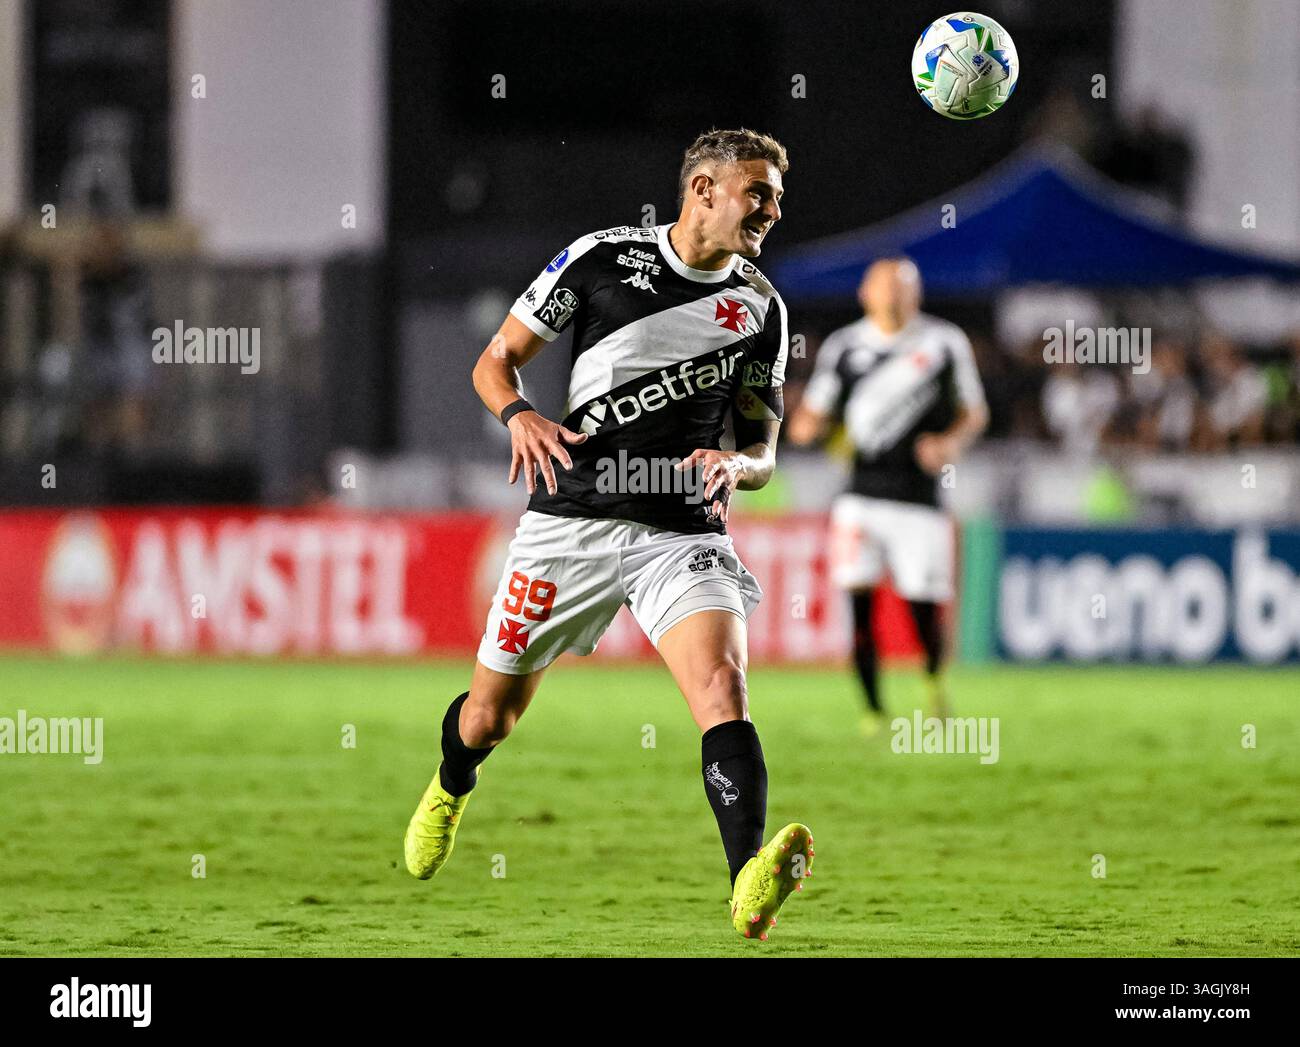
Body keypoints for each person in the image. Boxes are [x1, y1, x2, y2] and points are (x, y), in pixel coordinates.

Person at [404, 129, 813, 940]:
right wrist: (519, 415)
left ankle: (747, 880)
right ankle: (451, 784)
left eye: (776, 197)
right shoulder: (601, 259)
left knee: (722, 687)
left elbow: (764, 450)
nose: (772, 210)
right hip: (571, 522)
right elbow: (495, 361)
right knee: (488, 718)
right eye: (757, 193)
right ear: (703, 190)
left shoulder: (763, 306)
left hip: (681, 530)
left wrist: (739, 465)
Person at [788, 259, 987, 732]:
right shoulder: (845, 346)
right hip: (858, 499)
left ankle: (933, 683)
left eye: (902, 288)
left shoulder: (943, 343)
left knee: (923, 608)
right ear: (866, 294)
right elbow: (814, 411)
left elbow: (973, 412)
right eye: (885, 288)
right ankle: (873, 711)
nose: (893, 297)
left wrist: (950, 444)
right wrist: (806, 425)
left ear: (917, 295)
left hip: (920, 501)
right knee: (859, 605)